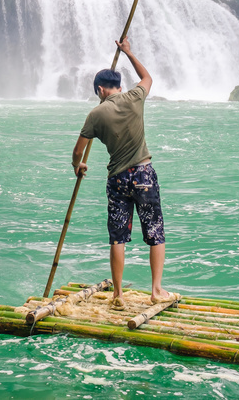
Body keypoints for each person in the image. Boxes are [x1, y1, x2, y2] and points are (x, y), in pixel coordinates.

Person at [72, 39, 171, 306]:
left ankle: (118, 295)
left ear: (101, 90)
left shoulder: (95, 115)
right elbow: (147, 77)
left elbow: (78, 150)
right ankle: (156, 291)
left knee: (118, 237)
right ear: (119, 86)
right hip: (143, 175)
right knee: (155, 232)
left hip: (117, 180)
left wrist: (77, 167)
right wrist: (128, 52)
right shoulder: (135, 97)